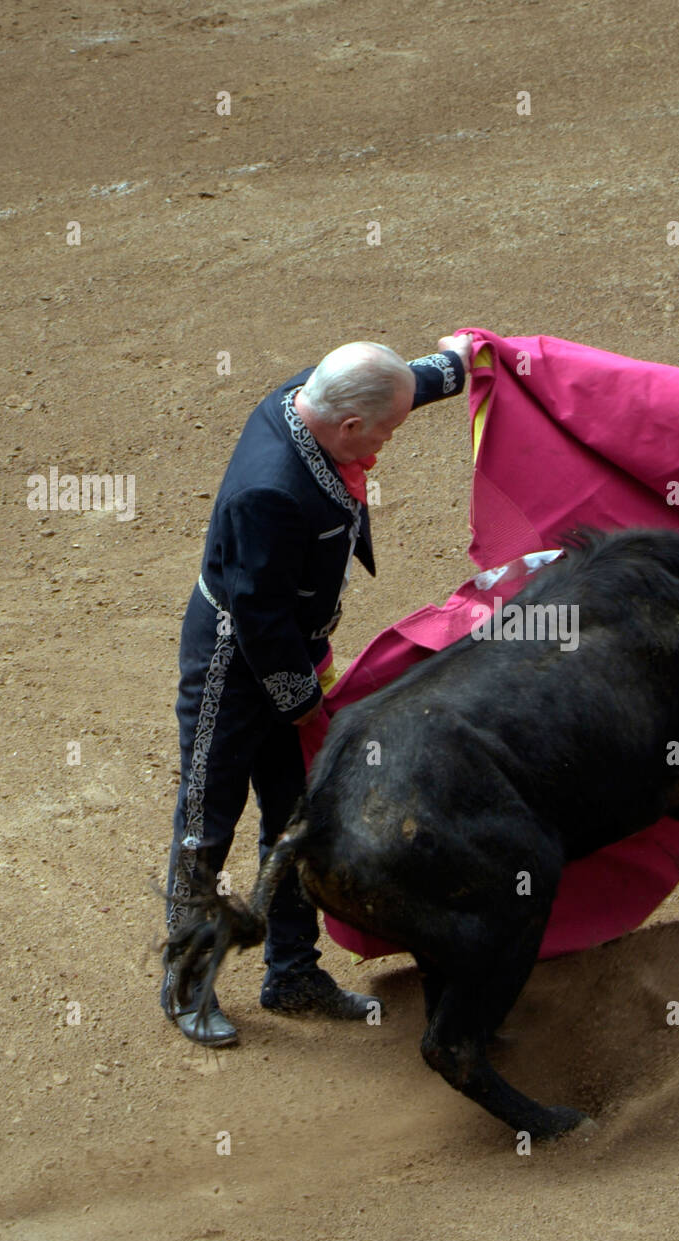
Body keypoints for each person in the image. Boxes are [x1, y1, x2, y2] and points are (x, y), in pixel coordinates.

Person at [162, 333, 475, 1046]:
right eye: (386, 431)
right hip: (233, 662)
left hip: (291, 646)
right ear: (350, 429)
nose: (391, 438)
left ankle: (293, 975)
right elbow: (258, 616)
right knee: (206, 818)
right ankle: (184, 982)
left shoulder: (314, 395)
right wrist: (304, 703)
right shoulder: (270, 491)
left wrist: (456, 365)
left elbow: (384, 389)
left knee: (297, 813)